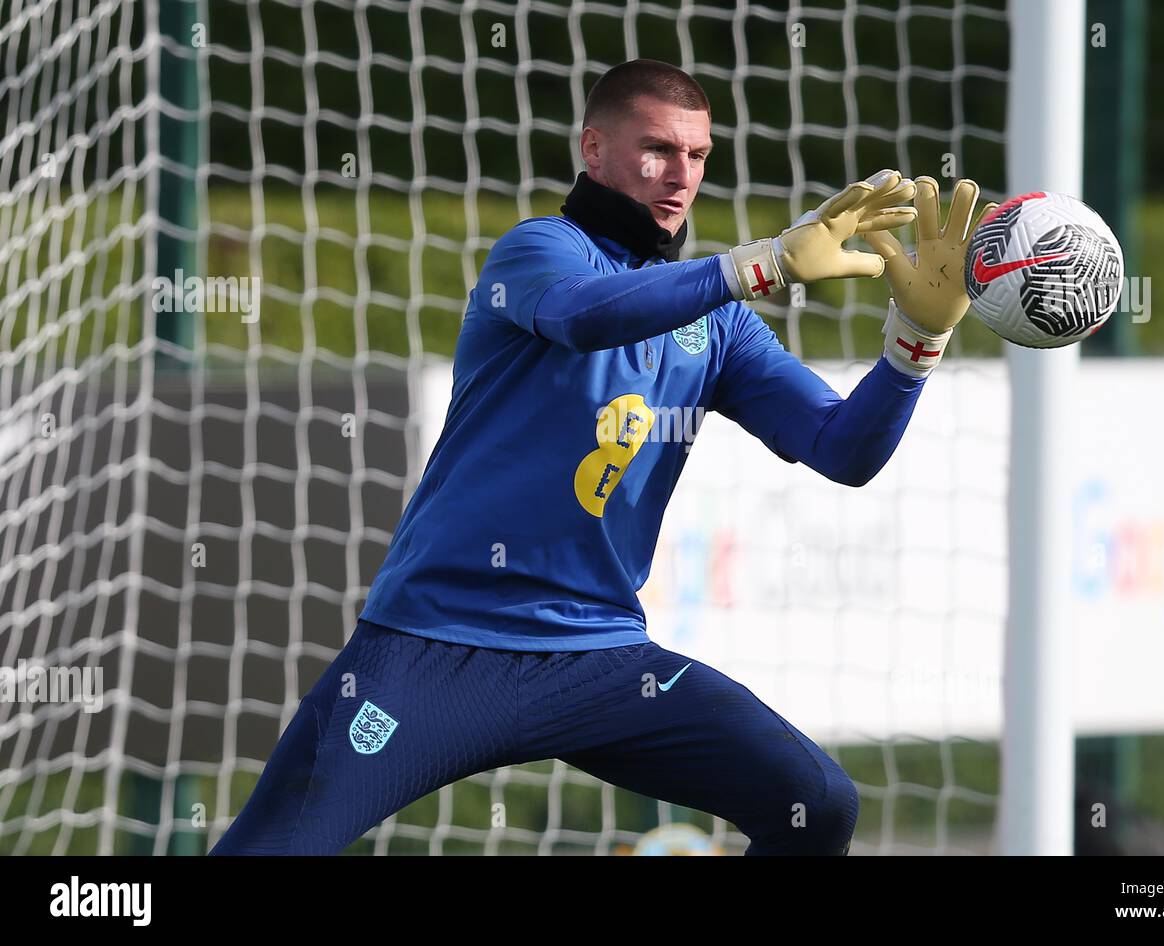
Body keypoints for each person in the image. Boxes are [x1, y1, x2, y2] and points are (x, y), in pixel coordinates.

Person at [210, 58, 993, 856]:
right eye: (656, 149)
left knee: (816, 801)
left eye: (696, 156)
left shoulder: (718, 322)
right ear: (593, 149)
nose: (679, 176)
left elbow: (842, 450)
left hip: (599, 659)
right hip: (436, 646)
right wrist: (756, 265)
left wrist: (914, 344)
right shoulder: (539, 251)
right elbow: (585, 318)